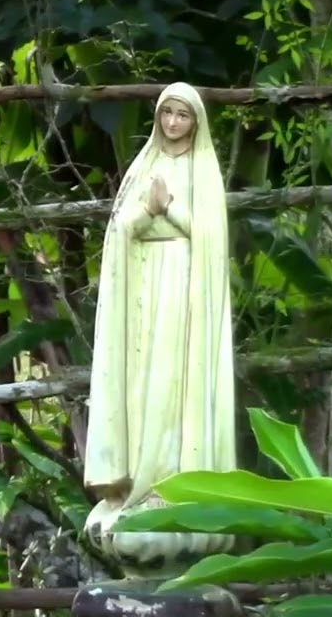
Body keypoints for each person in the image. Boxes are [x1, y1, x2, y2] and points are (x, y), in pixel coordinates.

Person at [81, 82, 237, 578]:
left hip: (185, 302)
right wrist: (145, 213)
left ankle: (170, 484)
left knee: (175, 390)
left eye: (182, 117)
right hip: (144, 298)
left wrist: (167, 210)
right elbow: (121, 229)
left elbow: (208, 238)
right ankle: (136, 487)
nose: (172, 124)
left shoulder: (203, 172)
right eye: (166, 115)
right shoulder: (143, 166)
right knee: (143, 392)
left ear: (196, 122)